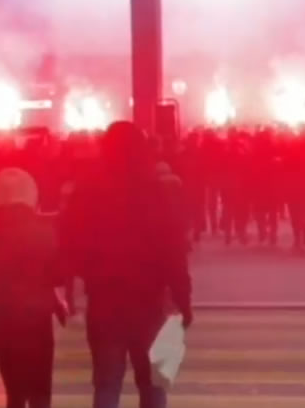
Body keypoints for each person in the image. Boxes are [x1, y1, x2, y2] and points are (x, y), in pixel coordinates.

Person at [65, 121, 192, 408]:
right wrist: (183, 300)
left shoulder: (87, 192)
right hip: (148, 302)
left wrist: (86, 275)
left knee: (107, 383)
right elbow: (173, 250)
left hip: (104, 301)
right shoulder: (155, 192)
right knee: (152, 384)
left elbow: (70, 242)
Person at [0, 168, 67, 408]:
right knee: (40, 391)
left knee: (15, 393)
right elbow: (57, 275)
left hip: (0, 320)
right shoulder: (42, 230)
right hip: (36, 320)